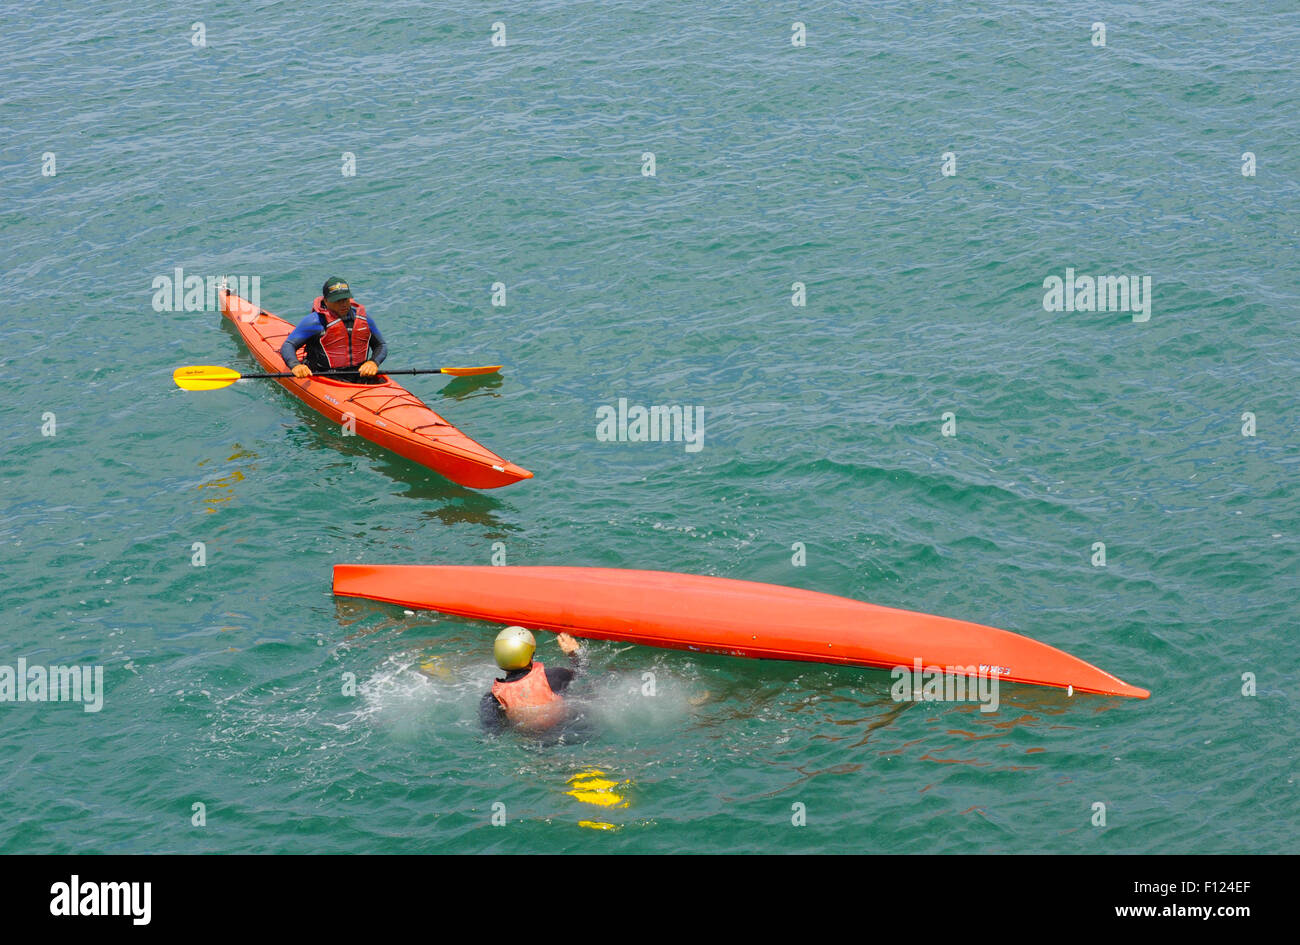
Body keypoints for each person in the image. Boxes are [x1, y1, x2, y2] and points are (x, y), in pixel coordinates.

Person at [279, 276, 388, 382]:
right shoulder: (314, 321)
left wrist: (373, 362)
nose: (343, 304)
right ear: (326, 301)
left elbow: (381, 345)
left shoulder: (364, 319)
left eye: (345, 299)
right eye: (337, 301)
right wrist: (295, 365)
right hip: (324, 376)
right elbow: (288, 345)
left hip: (360, 375)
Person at [480, 627, 586, 734]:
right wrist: (574, 653)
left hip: (530, 745)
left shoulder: (492, 698)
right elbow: (582, 671)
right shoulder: (554, 676)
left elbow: (492, 733)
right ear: (530, 655)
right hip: (568, 732)